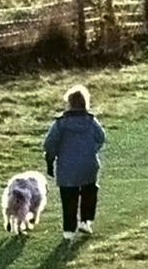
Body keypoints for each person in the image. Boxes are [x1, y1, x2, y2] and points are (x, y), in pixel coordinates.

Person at [43, 84, 106, 240]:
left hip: (66, 166)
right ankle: (85, 221)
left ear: (69, 103)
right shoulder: (91, 121)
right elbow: (101, 137)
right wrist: (92, 150)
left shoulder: (60, 123)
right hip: (88, 164)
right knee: (89, 191)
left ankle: (69, 230)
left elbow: (50, 143)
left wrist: (50, 160)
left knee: (69, 197)